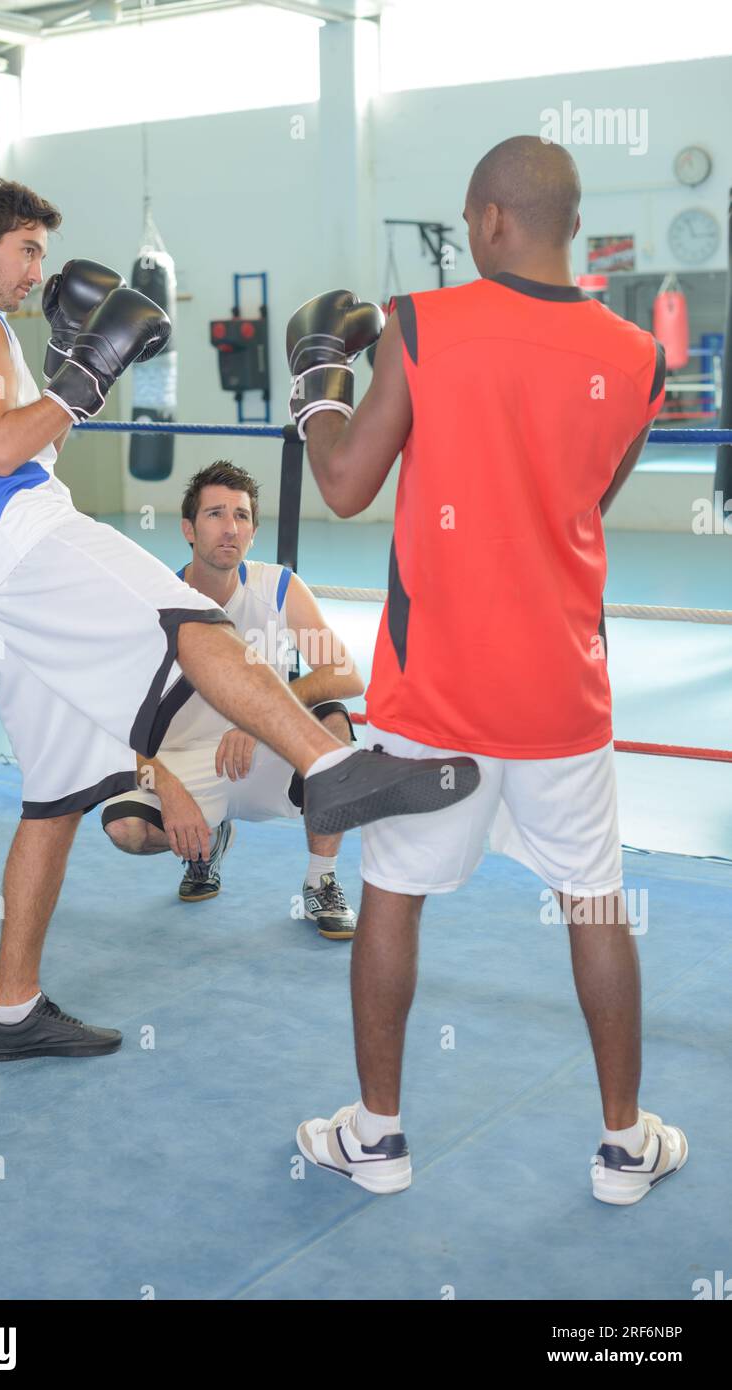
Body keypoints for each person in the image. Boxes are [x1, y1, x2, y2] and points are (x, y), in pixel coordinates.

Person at [0, 175, 479, 1064]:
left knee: (52, 803)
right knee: (194, 625)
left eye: (42, 252)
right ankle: (334, 767)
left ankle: (13, 1011)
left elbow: (28, 441)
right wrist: (89, 372)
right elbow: (9, 450)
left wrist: (67, 374)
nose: (35, 269)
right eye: (25, 250)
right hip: (32, 545)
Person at [287, 136, 687, 1205]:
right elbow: (585, 501)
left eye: (471, 223)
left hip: (439, 692)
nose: (468, 240)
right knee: (596, 903)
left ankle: (377, 1138)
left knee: (395, 893)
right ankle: (621, 1147)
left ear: (494, 219)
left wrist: (315, 389)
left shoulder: (425, 324)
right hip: (564, 689)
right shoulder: (641, 359)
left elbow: (341, 483)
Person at [101, 461, 363, 939]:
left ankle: (320, 880)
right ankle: (210, 838)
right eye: (215, 514)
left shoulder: (279, 588)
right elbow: (119, 718)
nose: (229, 528)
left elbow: (346, 673)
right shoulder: (154, 603)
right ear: (188, 528)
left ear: (253, 532)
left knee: (334, 724)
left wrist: (261, 714)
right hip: (186, 763)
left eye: (241, 517)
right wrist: (169, 788)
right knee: (126, 830)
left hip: (264, 754)